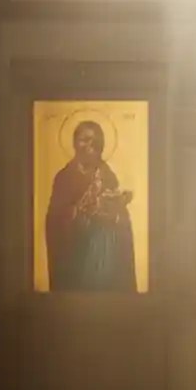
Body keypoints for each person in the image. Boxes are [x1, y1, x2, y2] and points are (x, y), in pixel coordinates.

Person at [45, 121, 137, 292]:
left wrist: (116, 210)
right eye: (84, 140)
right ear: (74, 144)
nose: (90, 145)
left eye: (96, 141)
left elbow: (121, 219)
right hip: (76, 251)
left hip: (106, 249)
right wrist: (78, 211)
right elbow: (54, 219)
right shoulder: (65, 177)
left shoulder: (107, 174)